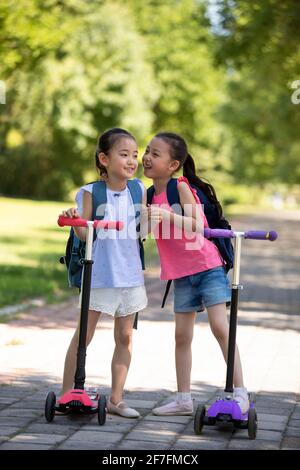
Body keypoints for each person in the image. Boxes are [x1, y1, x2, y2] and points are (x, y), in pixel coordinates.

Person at [143, 131, 249, 416]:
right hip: (180, 273)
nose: (146, 157)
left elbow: (197, 225)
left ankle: (240, 393)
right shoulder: (148, 194)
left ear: (173, 164)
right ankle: (183, 399)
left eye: (155, 153)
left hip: (207, 266)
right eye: (147, 150)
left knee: (219, 328)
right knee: (181, 336)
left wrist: (166, 216)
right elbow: (142, 232)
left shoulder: (181, 188)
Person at [60, 128, 148, 418]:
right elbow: (86, 236)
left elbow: (142, 231)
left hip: (130, 274)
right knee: (83, 335)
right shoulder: (91, 192)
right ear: (104, 159)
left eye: (135, 155)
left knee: (125, 338)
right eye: (124, 154)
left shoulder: (138, 190)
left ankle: (116, 399)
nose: (132, 160)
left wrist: (153, 220)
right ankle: (67, 393)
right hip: (99, 274)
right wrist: (76, 223)